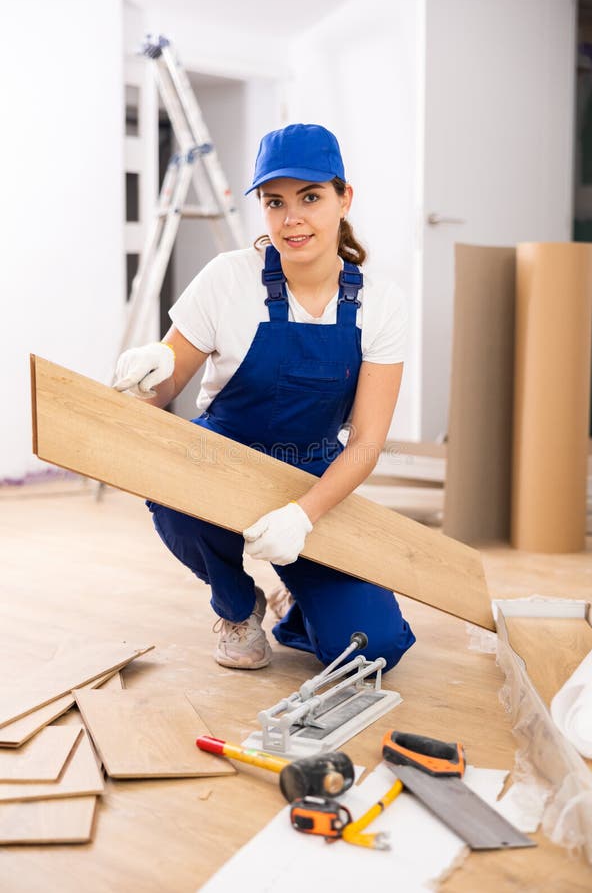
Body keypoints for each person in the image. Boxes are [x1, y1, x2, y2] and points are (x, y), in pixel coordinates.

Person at [114, 123, 415, 672]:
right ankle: (237, 606)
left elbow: (367, 443)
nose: (291, 218)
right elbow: (158, 399)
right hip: (220, 457)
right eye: (275, 202)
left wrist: (303, 514)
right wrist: (149, 373)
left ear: (344, 199)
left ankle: (296, 602)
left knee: (371, 648)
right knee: (171, 479)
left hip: (313, 471)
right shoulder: (228, 278)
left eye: (310, 198)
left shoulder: (381, 304)